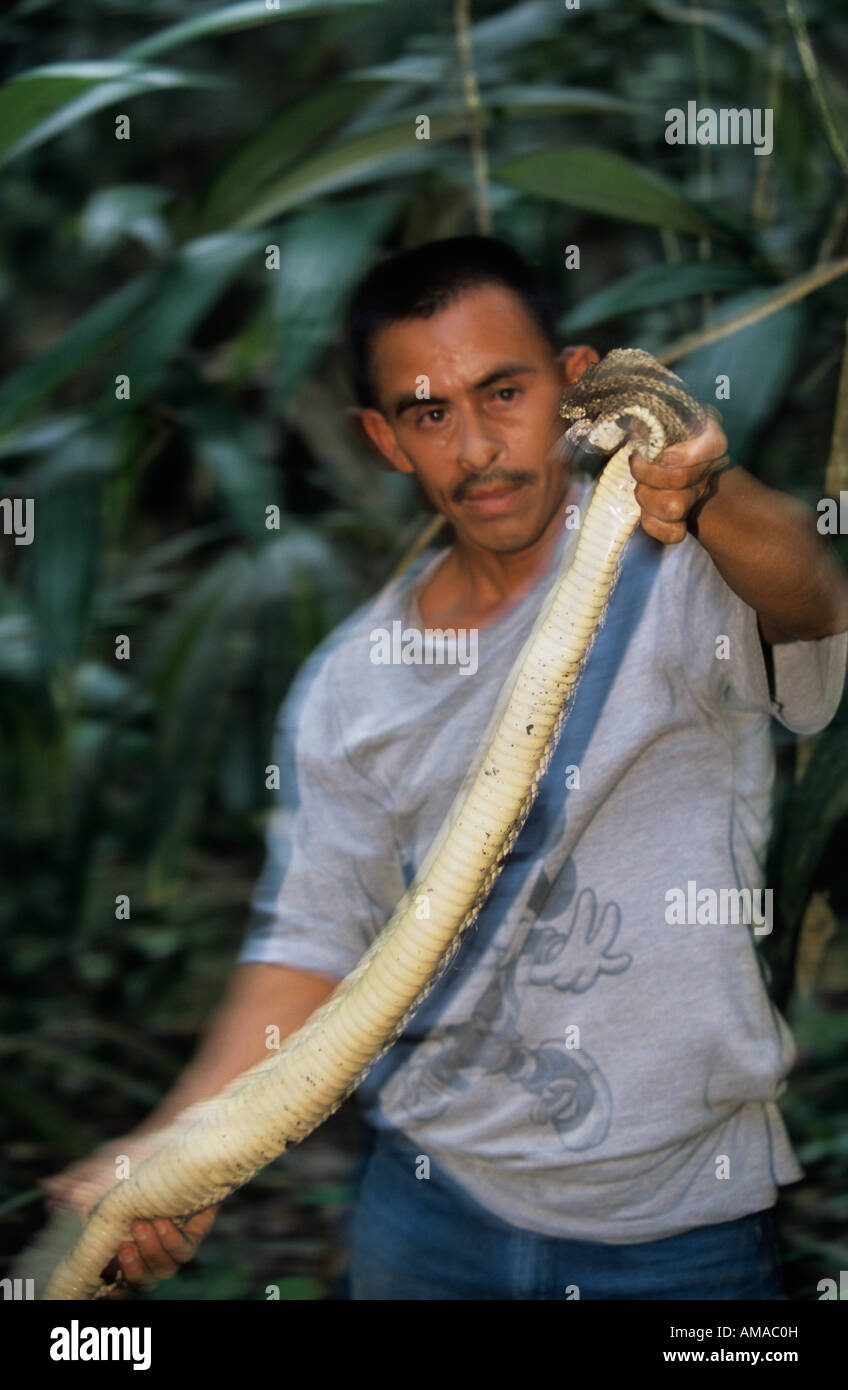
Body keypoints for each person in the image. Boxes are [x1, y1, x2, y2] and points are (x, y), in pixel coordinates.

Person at [42, 236, 848, 1300]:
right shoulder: (350, 685)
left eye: (502, 391)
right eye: (428, 412)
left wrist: (702, 484)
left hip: (678, 1227)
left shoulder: (687, 571)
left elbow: (809, 594)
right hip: (427, 1220)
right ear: (383, 439)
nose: (476, 447)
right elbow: (312, 942)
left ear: (570, 388)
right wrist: (177, 1151)